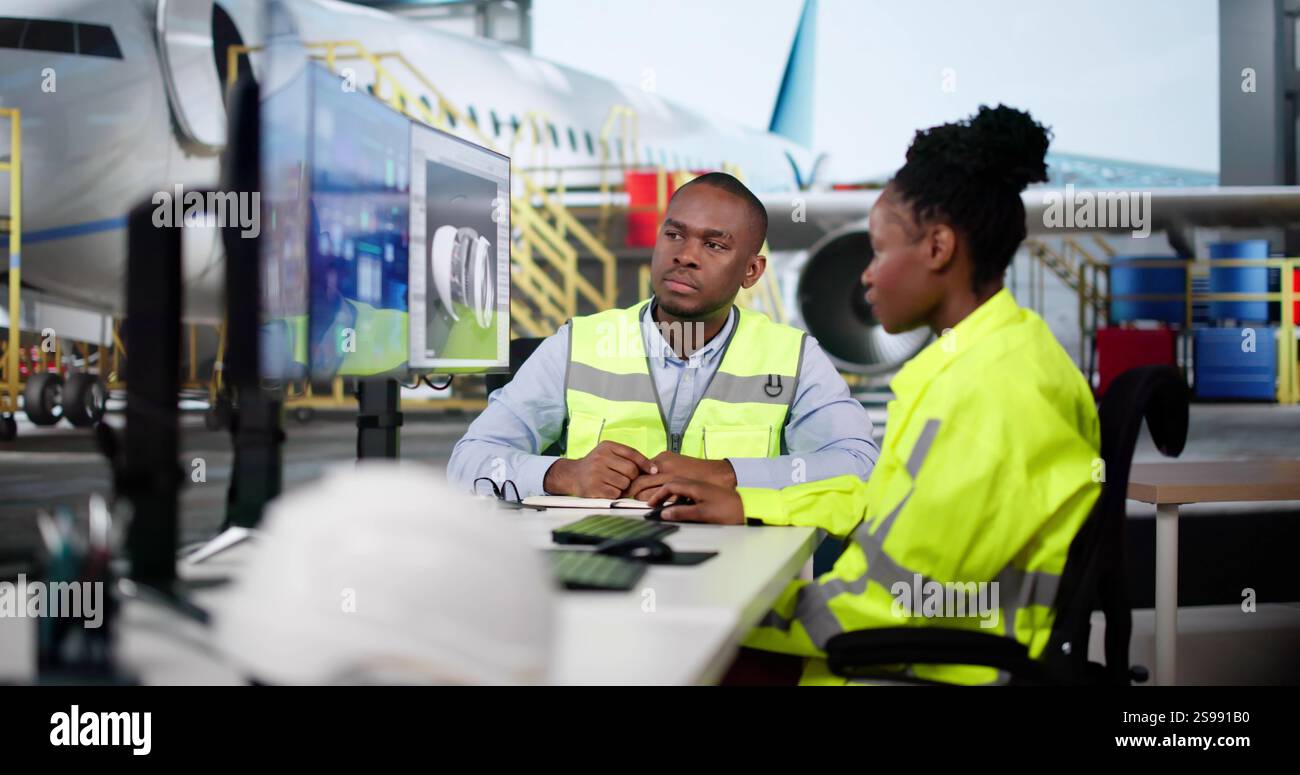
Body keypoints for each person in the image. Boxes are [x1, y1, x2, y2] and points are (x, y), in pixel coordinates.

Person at [646, 106, 1102, 685]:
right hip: (909, 651)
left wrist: (718, 608)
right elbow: (880, 502)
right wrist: (749, 503)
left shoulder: (986, 395)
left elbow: (889, 600)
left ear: (938, 248)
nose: (865, 276)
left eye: (880, 252)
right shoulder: (996, 357)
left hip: (911, 668)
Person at [448, 172, 878, 499]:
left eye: (714, 245)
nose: (685, 255)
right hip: (598, 567)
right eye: (674, 234)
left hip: (737, 574)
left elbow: (858, 465)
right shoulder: (578, 343)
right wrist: (560, 474)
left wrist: (725, 475)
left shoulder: (792, 358)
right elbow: (468, 461)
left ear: (752, 271)